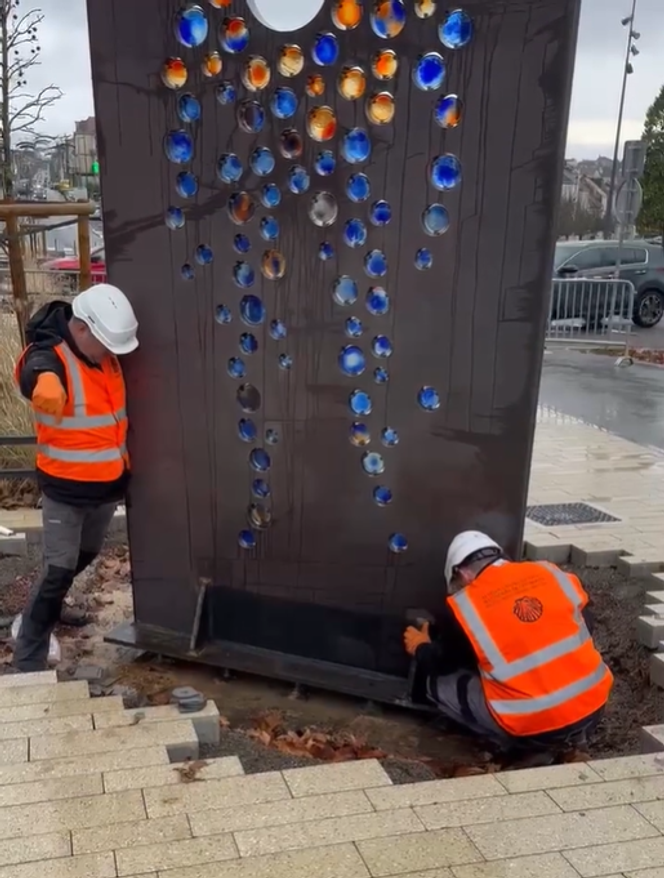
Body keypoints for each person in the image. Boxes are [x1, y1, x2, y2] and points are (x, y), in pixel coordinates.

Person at [11, 283, 138, 673]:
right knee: (58, 570)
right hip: (65, 489)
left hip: (106, 485)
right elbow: (33, 367)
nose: (112, 353)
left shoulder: (104, 354)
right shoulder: (51, 356)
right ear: (81, 328)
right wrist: (42, 382)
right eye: (105, 343)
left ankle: (53, 605)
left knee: (85, 554)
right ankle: (29, 648)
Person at [404, 530, 613, 755]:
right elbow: (586, 626)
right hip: (593, 707)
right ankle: (573, 739)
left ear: (463, 575)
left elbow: (440, 663)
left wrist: (420, 646)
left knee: (437, 685)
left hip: (536, 729)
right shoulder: (548, 572)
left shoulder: (469, 606)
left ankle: (511, 746)